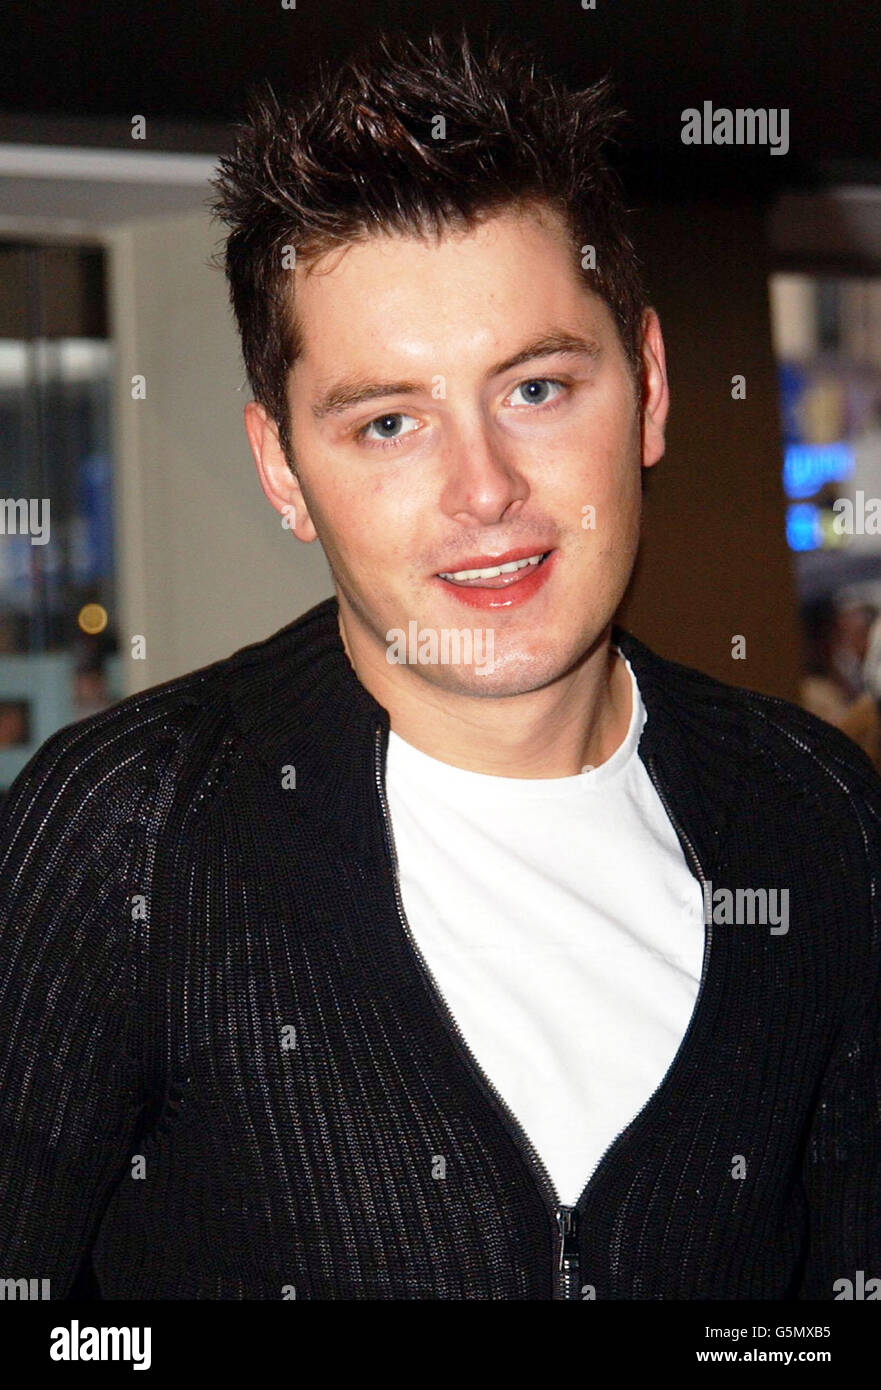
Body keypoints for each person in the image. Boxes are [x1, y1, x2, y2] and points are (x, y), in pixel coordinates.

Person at [1, 28, 879, 1302]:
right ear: (280, 470)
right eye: (388, 421)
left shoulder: (814, 813)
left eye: (533, 389)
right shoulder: (128, 829)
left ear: (645, 388)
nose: (483, 491)